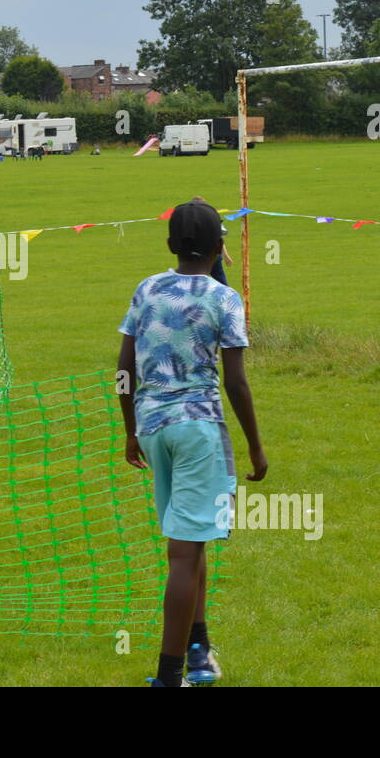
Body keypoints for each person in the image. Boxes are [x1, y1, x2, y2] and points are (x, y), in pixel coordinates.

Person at [117, 199, 268, 687]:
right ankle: (169, 676)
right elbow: (237, 383)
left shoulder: (147, 288)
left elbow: (124, 368)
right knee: (184, 555)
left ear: (169, 245)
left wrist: (130, 429)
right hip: (199, 429)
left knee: (192, 542)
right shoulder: (224, 299)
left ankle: (200, 654)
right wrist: (256, 447)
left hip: (154, 427)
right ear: (221, 246)